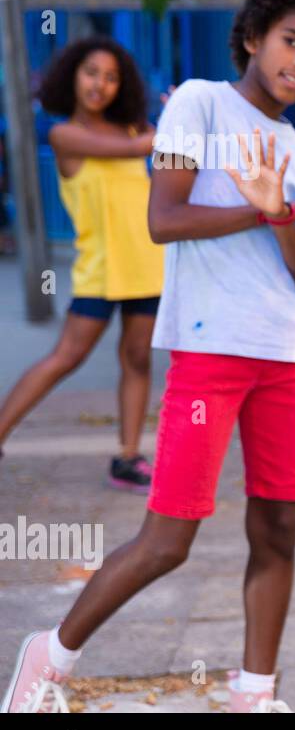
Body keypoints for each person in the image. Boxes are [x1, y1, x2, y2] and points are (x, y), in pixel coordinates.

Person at [3, 0, 295, 715]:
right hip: (209, 351)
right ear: (254, 35)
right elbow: (163, 219)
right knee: (169, 540)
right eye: (293, 42)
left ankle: (253, 692)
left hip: (288, 357)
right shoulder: (195, 107)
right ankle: (51, 654)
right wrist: (265, 210)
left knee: (278, 528)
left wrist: (290, 220)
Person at [0, 38, 163, 491]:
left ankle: (128, 457)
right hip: (102, 268)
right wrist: (172, 127)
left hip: (149, 265)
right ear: (73, 75)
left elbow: (167, 158)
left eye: (111, 77)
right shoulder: (64, 134)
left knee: (137, 359)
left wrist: (173, 128)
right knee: (66, 357)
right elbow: (142, 150)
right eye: (92, 72)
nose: (100, 84)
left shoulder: (134, 130)